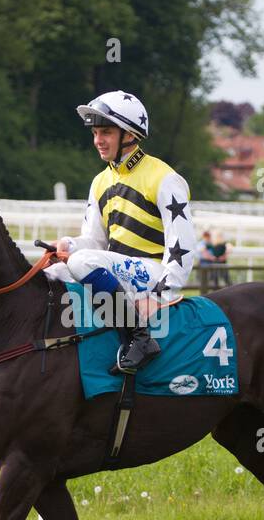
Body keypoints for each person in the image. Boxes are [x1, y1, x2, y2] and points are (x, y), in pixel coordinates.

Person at [52, 90, 197, 374]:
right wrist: (69, 244)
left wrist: (159, 296)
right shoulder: (100, 181)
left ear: (129, 134)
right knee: (52, 273)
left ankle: (140, 339)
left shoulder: (164, 178)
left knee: (81, 262)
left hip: (153, 273)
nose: (98, 141)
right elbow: (94, 241)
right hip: (117, 271)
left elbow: (182, 247)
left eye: (105, 132)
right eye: (95, 133)